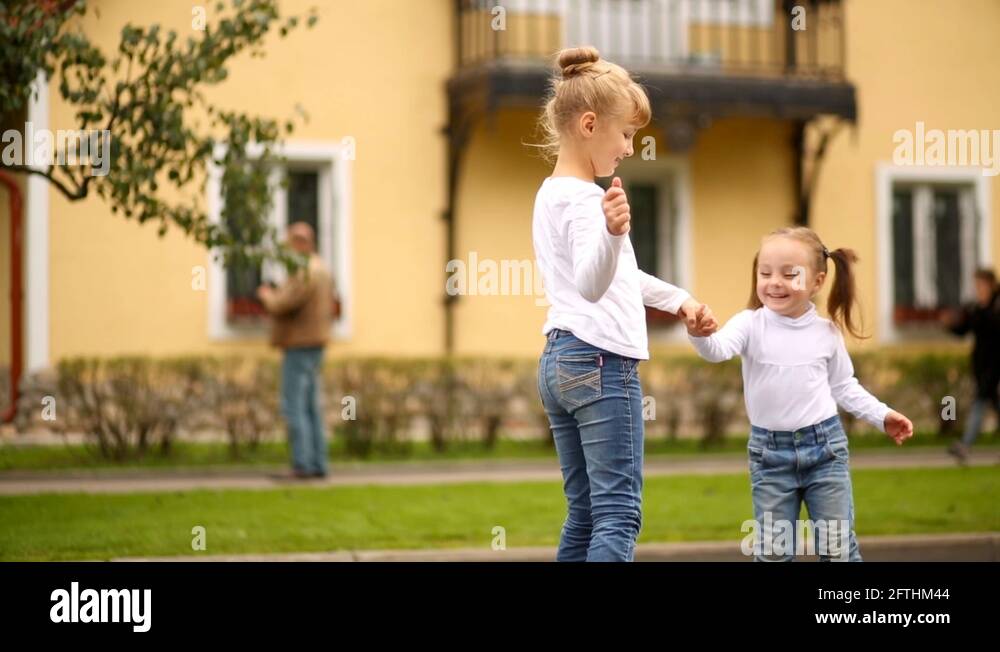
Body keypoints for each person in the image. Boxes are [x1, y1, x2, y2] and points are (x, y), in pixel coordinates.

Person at [532, 46, 717, 562]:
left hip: (559, 361)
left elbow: (617, 278)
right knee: (618, 515)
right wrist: (614, 232)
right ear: (590, 124)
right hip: (600, 362)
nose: (631, 148)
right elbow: (595, 282)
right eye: (627, 134)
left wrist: (680, 300)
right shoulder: (589, 201)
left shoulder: (551, 193)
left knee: (585, 514)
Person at [688, 226, 913, 561]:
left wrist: (882, 415)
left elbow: (844, 386)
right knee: (774, 552)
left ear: (817, 281)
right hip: (770, 457)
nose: (774, 282)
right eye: (765, 273)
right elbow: (717, 349)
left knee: (838, 549)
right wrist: (699, 334)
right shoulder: (750, 324)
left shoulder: (826, 333)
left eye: (789, 274)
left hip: (825, 452)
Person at [257, 222, 334, 479]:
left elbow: (282, 303)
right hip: (315, 345)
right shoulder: (321, 268)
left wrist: (267, 295)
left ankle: (302, 464)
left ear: (300, 243)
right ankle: (317, 464)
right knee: (311, 407)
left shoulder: (304, 270)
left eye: (289, 243)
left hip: (299, 346)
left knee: (294, 406)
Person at [942, 268, 1000, 463]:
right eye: (977, 286)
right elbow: (965, 330)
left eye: (981, 285)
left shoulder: (994, 306)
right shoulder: (976, 308)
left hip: (995, 365)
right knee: (993, 404)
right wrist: (950, 325)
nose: (978, 289)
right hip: (981, 365)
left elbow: (993, 326)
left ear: (991, 285)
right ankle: (965, 445)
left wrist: (983, 311)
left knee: (980, 402)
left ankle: (965, 445)